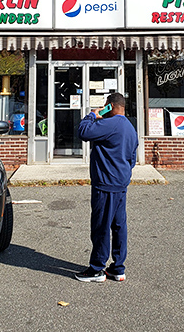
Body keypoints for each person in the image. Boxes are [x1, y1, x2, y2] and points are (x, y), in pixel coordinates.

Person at [75, 92, 138, 283]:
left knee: (101, 226)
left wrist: (93, 114)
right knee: (119, 226)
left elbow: (83, 132)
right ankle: (118, 268)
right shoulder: (130, 127)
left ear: (110, 105)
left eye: (106, 105)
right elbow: (132, 159)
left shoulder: (111, 124)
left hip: (106, 183)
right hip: (120, 183)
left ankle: (96, 269)